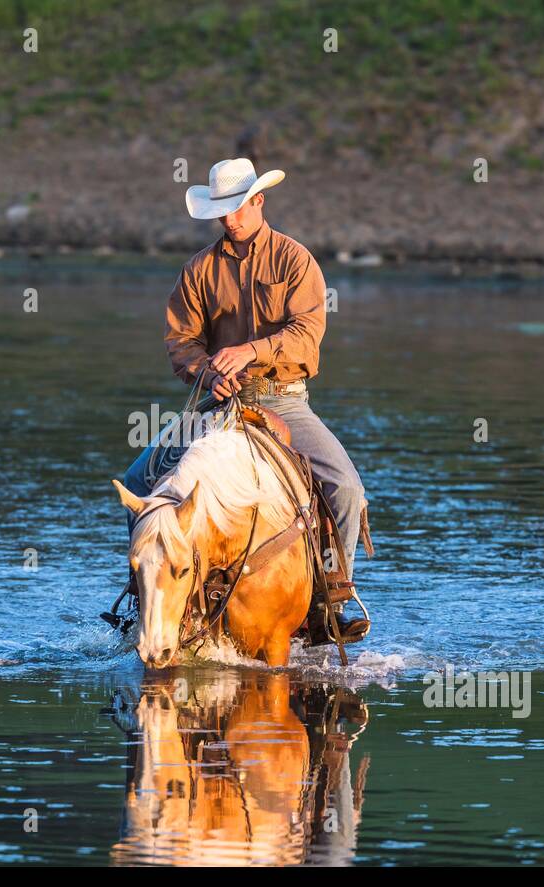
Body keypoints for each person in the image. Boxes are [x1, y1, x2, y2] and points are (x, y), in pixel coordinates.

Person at [117, 157, 369, 639]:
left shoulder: (296, 261)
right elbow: (181, 342)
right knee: (137, 482)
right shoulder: (198, 271)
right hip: (217, 403)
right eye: (221, 210)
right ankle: (144, 592)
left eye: (237, 208)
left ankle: (333, 595)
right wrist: (207, 372)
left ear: (259, 201)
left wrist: (251, 350)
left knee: (346, 490)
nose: (229, 219)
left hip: (283, 398)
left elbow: (305, 337)